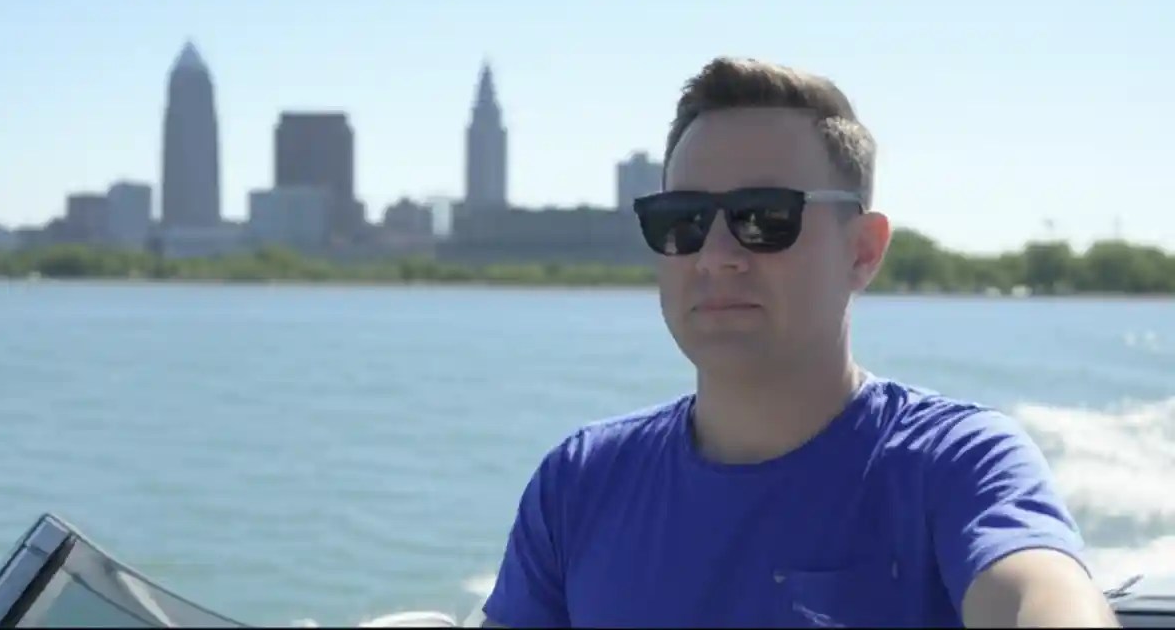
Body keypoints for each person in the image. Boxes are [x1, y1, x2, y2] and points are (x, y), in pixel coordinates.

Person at [478, 57, 1119, 628]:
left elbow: (1039, 595)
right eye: (683, 221)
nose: (717, 255)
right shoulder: (580, 483)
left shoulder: (956, 467)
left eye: (764, 218)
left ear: (862, 251)